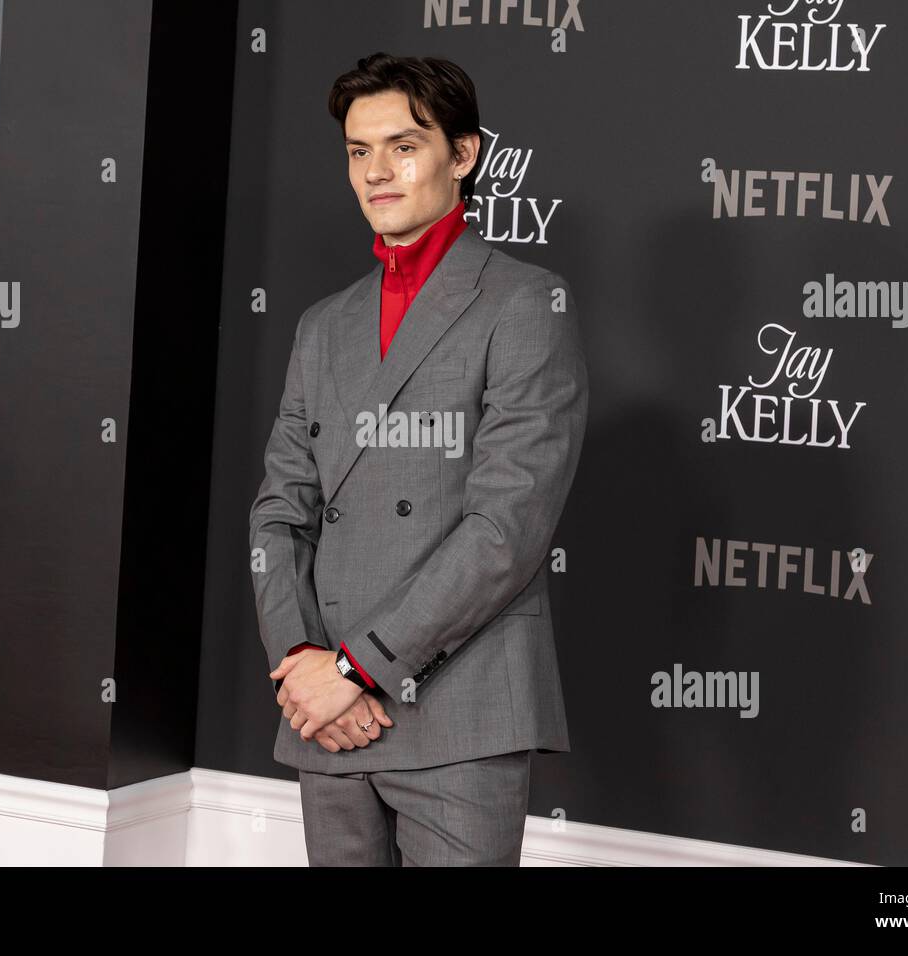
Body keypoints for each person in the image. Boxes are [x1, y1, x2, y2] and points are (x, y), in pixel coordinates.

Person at [249, 53, 589, 866]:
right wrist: (300, 662)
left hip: (458, 711)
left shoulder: (524, 304)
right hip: (326, 719)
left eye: (403, 145)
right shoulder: (323, 325)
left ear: (463, 154)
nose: (377, 171)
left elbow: (506, 528)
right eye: (359, 152)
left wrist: (358, 668)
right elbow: (278, 511)